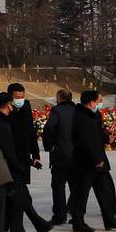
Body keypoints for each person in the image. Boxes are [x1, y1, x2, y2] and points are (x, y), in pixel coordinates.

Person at [0, 94, 51, 232]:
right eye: (11, 103)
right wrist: (19, 165)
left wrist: (28, 161)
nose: (13, 106)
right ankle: (29, 226)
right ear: (6, 104)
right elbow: (6, 148)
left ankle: (21, 228)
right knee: (18, 198)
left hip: (12, 165)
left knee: (18, 198)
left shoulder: (4, 120)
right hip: (7, 167)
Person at [69, 90, 116, 232]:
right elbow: (85, 141)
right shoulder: (80, 117)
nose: (100, 104)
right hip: (86, 162)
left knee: (105, 191)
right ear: (91, 102)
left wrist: (107, 138)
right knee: (81, 193)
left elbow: (98, 134)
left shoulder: (94, 115)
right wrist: (96, 160)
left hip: (98, 159)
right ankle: (78, 222)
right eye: (98, 101)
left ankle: (110, 220)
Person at [42, 88, 76, 224]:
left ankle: (60, 215)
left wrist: (48, 146)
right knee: (76, 186)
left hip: (60, 155)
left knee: (58, 186)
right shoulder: (78, 110)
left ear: (59, 98)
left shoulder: (57, 111)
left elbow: (49, 128)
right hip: (77, 155)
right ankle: (76, 213)